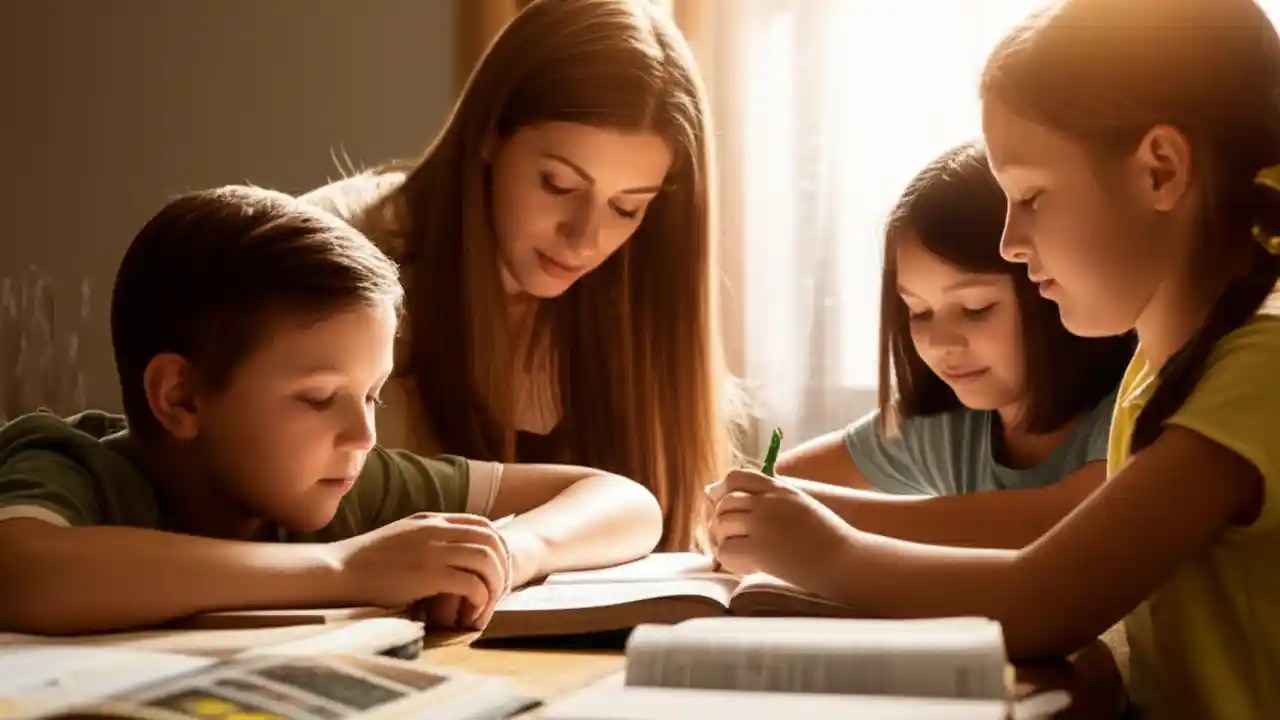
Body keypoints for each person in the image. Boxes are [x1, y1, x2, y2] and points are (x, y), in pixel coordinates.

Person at [710, 1, 1280, 716]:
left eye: (1031, 196)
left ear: (1160, 170)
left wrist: (827, 553)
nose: (1010, 241)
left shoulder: (1262, 366)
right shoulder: (1163, 367)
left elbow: (1045, 598)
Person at [0, 186, 662, 636]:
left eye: (372, 393)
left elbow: (623, 501)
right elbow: (20, 573)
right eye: (319, 399)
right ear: (180, 397)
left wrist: (508, 551)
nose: (363, 434)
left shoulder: (340, 486)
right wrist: (344, 570)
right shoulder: (69, 465)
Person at [302, 0, 736, 550]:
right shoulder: (335, 258)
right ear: (490, 134)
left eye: (627, 208)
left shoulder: (638, 279)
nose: (584, 239)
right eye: (558, 185)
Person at [770, 141, 1131, 549]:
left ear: (1049, 286)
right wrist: (744, 506)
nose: (939, 343)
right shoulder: (947, 426)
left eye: (975, 308)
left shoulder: (1128, 404)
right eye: (919, 312)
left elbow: (1056, 524)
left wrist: (802, 521)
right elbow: (778, 482)